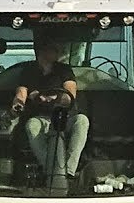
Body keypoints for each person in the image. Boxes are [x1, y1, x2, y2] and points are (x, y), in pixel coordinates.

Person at [7, 37, 90, 189]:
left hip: (64, 118)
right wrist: (17, 105)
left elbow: (70, 94)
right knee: (31, 125)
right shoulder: (28, 72)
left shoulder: (64, 70)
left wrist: (54, 97)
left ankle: (68, 171)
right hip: (40, 119)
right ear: (40, 52)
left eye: (56, 50)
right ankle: (52, 171)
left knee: (82, 121)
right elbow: (21, 94)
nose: (56, 52)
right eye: (52, 49)